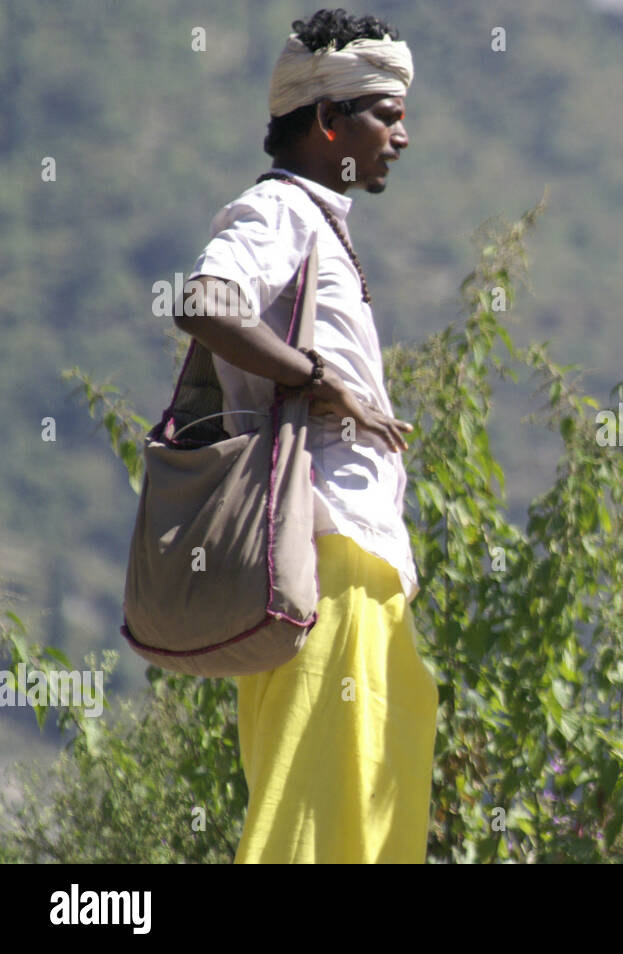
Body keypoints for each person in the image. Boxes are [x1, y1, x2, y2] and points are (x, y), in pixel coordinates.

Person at [173, 8, 437, 863]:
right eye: (386, 115)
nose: (403, 134)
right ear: (330, 122)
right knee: (313, 818)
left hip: (348, 559)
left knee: (363, 805)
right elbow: (204, 302)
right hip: (318, 557)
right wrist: (319, 380)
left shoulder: (319, 221)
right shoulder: (279, 210)